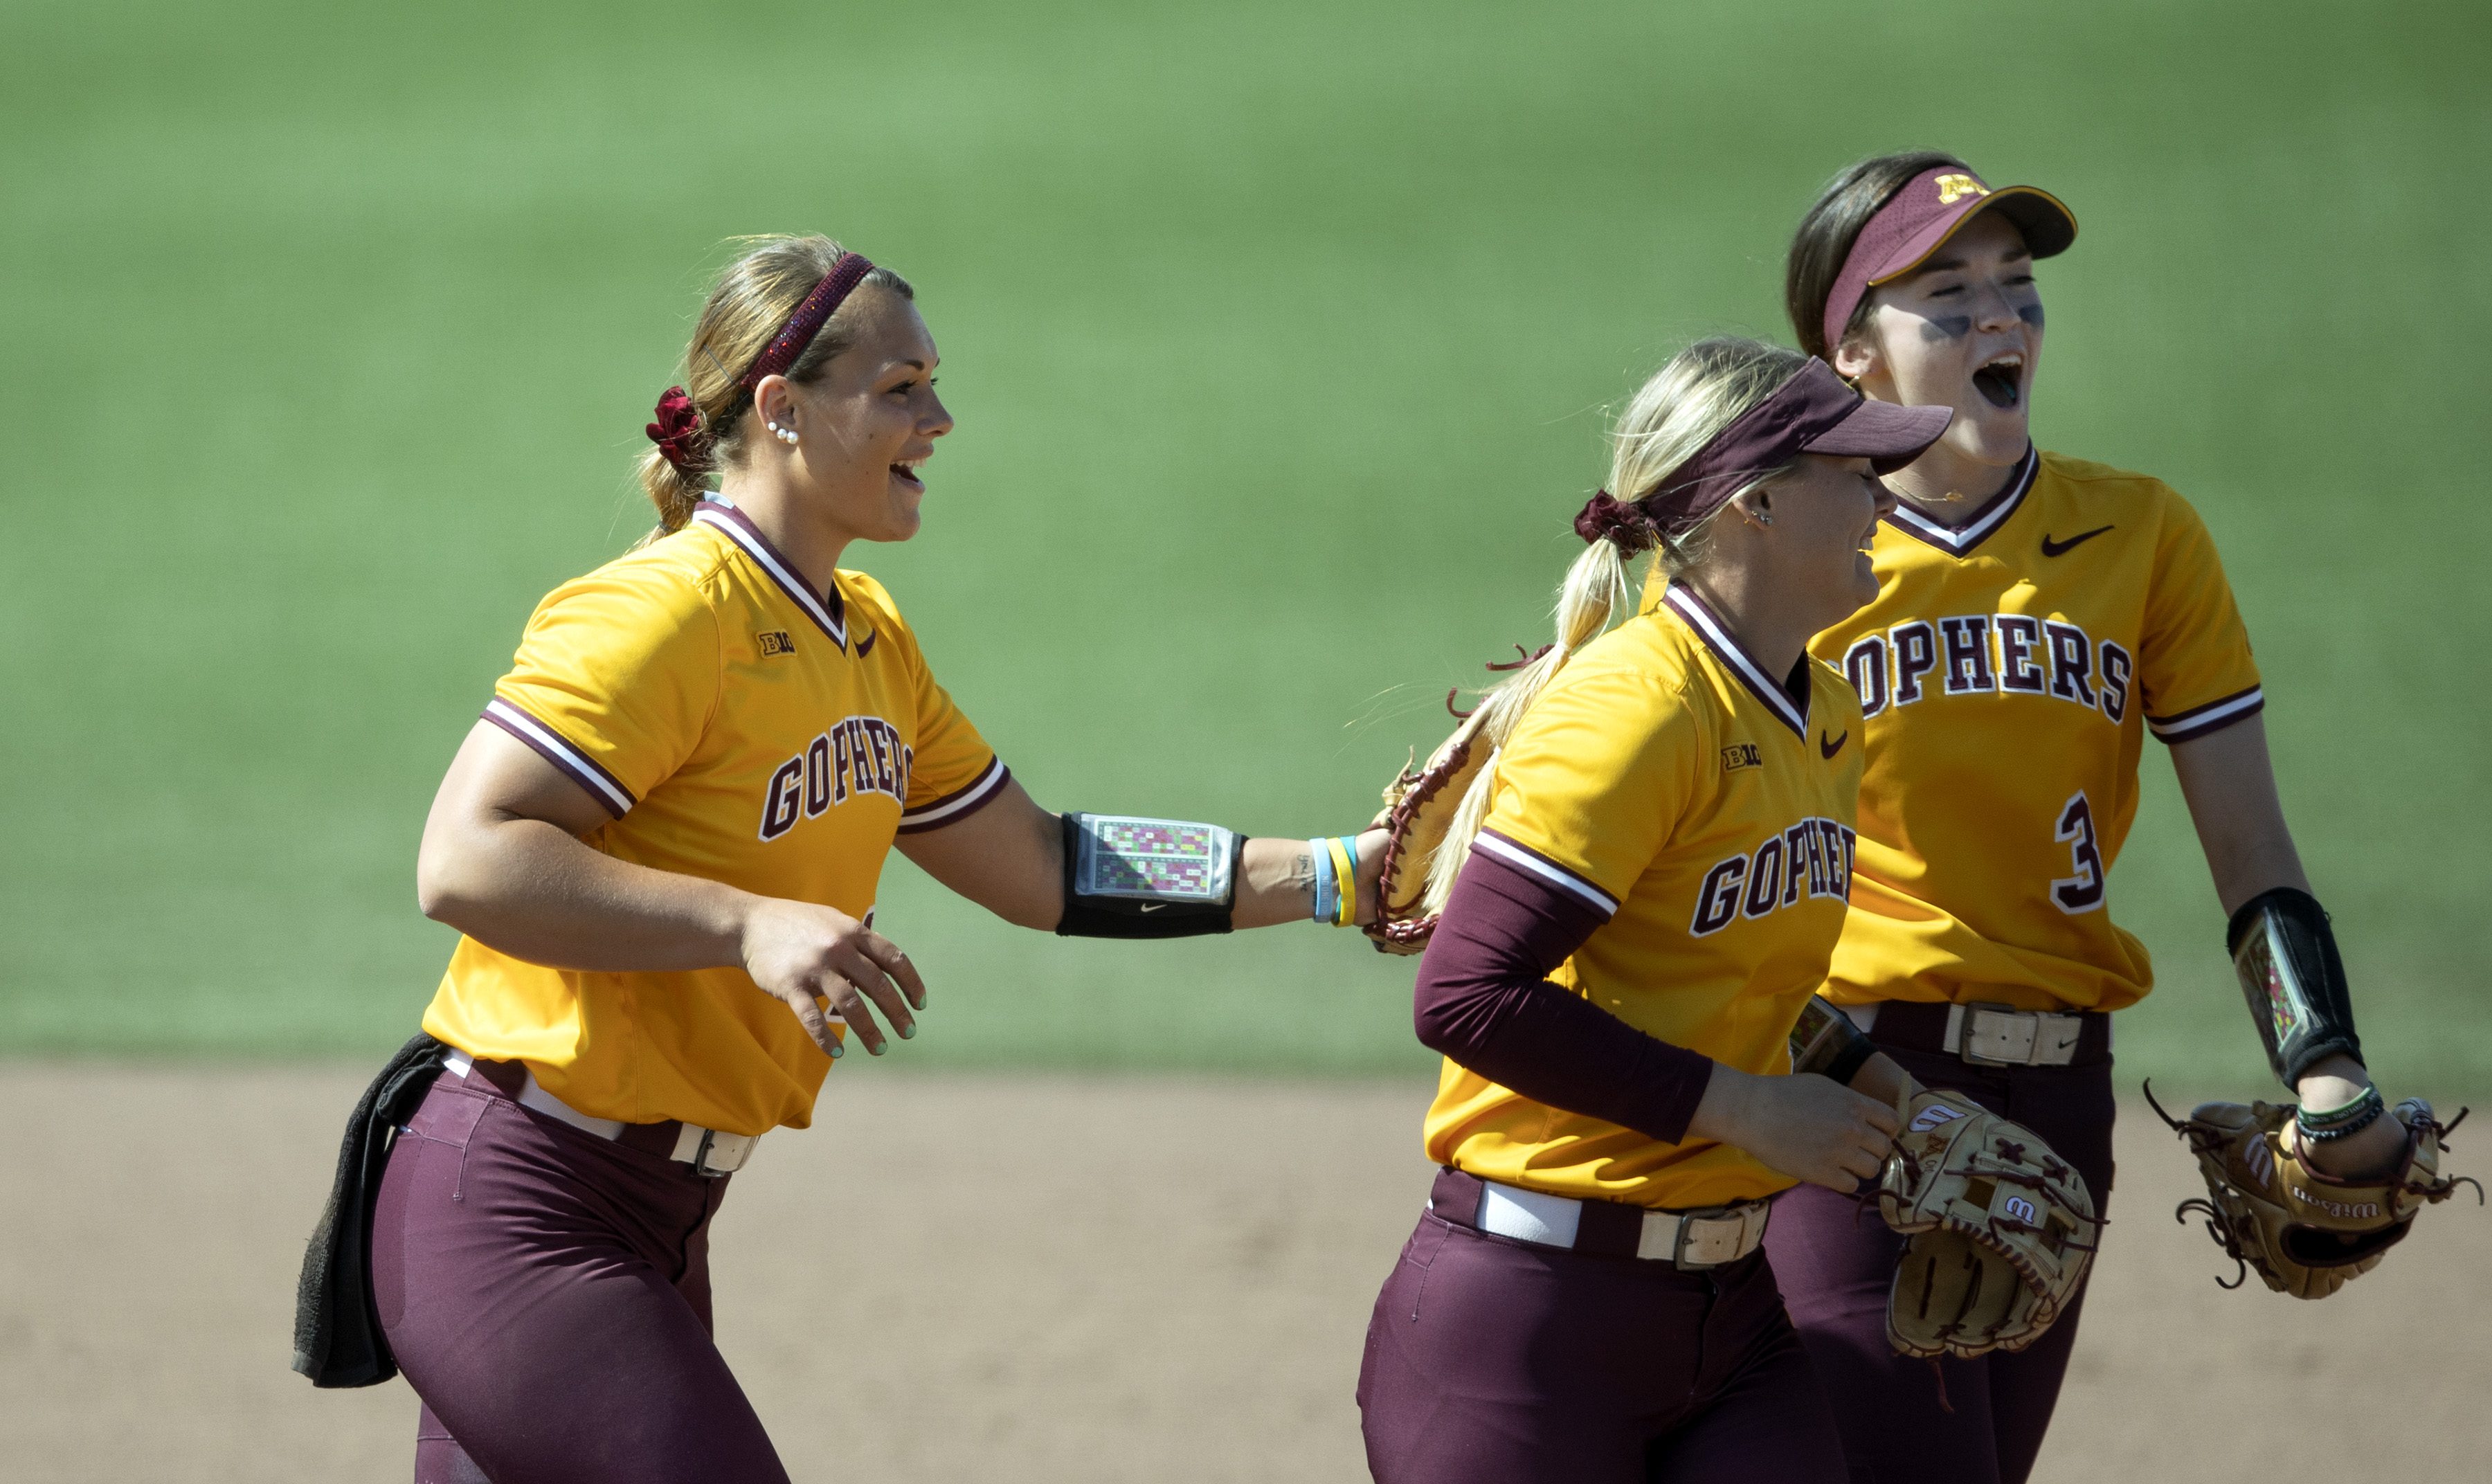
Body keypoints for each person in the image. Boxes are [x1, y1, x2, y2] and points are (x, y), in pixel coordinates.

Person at [357, 235, 1388, 1484]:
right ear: (782, 410)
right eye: (901, 389)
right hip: (518, 1209)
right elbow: (464, 860)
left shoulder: (868, 642)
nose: (942, 419)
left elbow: (1046, 864)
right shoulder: (668, 613)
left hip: (652, 1226)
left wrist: (1336, 875)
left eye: (935, 384)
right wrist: (745, 921)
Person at [1760, 154, 2412, 1484]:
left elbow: (2253, 849)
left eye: (2019, 288)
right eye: (1948, 297)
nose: (2001, 320)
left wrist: (2326, 1068)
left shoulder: (2142, 536)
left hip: (2061, 1099)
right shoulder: (1792, 545)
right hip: (1848, 1081)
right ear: (1855, 352)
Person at [1355, 337, 1959, 1483]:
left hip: (1732, 1326)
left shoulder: (1824, 711)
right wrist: (1741, 1110)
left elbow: (1739, 985)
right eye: (1853, 469)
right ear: (1757, 503)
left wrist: (1900, 1103)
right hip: (1534, 1322)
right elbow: (1468, 997)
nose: (1882, 496)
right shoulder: (1637, 711)